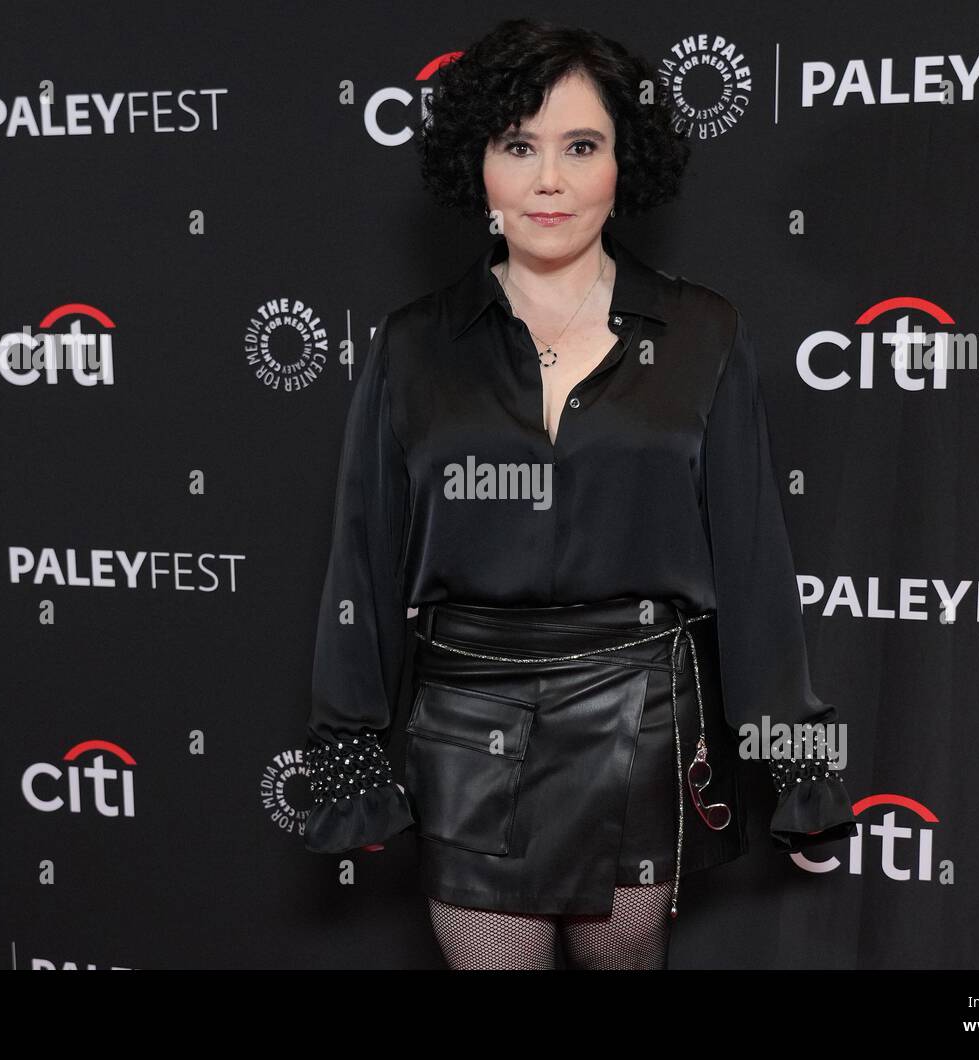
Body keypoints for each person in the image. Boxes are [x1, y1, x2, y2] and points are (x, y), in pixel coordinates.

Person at [302, 18, 858, 971]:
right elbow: (363, 556)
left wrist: (799, 766)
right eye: (519, 146)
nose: (548, 180)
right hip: (467, 722)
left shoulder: (702, 333)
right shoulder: (411, 346)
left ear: (622, 163)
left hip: (642, 715)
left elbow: (757, 571)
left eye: (581, 146)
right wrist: (350, 755)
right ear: (476, 164)